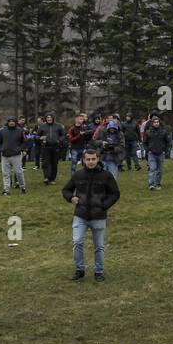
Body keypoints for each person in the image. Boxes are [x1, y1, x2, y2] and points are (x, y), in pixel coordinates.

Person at [62, 147, 119, 281]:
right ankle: (79, 270)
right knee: (77, 242)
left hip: (98, 216)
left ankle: (98, 272)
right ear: (84, 160)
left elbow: (115, 193)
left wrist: (104, 205)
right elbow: (66, 189)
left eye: (93, 159)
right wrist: (71, 197)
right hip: (80, 215)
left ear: (98, 159)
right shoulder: (78, 175)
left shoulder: (106, 176)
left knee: (99, 246)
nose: (91, 162)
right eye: (88, 159)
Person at [0, 117, 27, 195]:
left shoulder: (20, 131)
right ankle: (6, 190)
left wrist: (19, 149)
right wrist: (0, 149)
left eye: (13, 121)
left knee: (18, 172)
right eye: (10, 121)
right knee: (6, 174)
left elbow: (24, 142)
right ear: (8, 122)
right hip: (5, 155)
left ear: (15, 122)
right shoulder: (3, 131)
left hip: (16, 155)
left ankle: (22, 187)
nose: (11, 122)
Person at [37, 112, 66, 185]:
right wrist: (40, 138)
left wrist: (59, 140)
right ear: (45, 119)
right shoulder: (42, 126)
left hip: (55, 147)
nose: (49, 119)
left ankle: (52, 178)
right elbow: (37, 136)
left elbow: (63, 135)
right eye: (47, 118)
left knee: (54, 163)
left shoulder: (58, 126)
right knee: (46, 163)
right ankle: (46, 177)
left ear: (53, 118)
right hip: (45, 147)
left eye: (50, 118)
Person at [143, 115, 170, 190]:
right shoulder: (148, 132)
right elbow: (144, 142)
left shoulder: (163, 132)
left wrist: (166, 150)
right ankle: (151, 185)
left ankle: (157, 184)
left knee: (159, 170)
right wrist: (148, 150)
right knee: (152, 168)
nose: (156, 123)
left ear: (159, 123)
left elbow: (168, 142)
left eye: (157, 122)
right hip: (151, 153)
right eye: (154, 122)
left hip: (161, 153)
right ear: (152, 123)